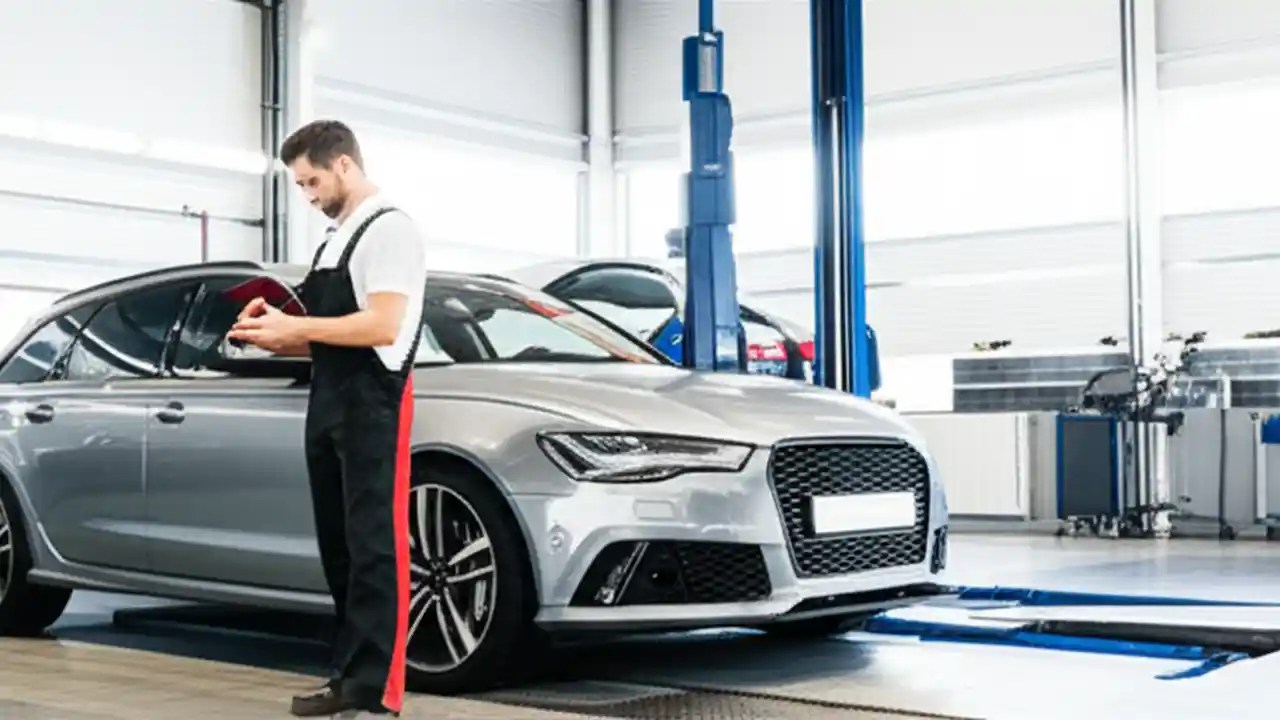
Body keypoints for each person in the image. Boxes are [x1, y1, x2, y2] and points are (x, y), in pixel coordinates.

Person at [228, 119, 427, 717]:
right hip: (330, 400)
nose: (308, 195)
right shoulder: (335, 238)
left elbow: (382, 326)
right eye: (299, 186)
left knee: (375, 549)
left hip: (374, 401)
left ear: (343, 164)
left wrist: (297, 327)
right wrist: (272, 335)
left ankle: (377, 692)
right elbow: (329, 338)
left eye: (311, 181)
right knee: (339, 547)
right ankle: (346, 678)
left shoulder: (390, 229)